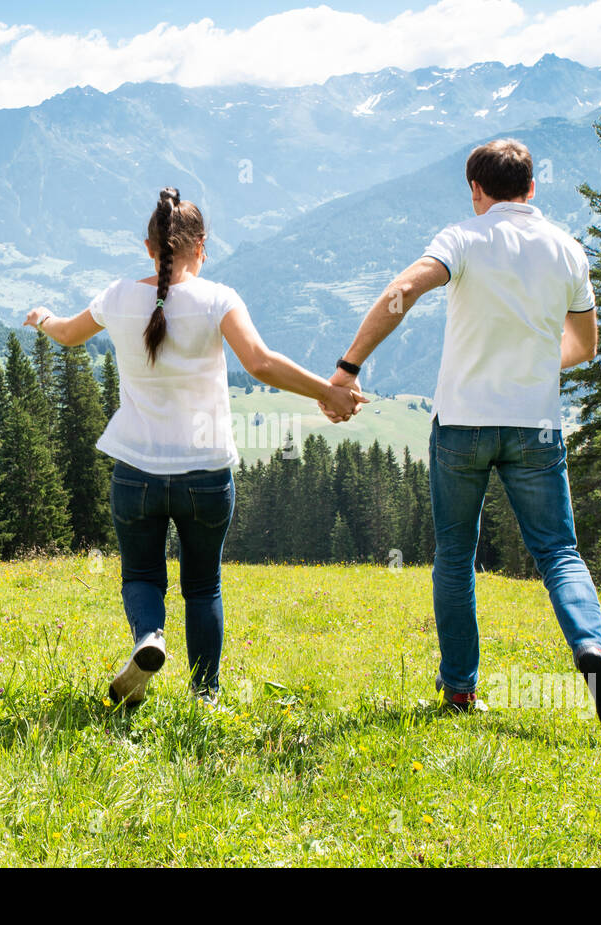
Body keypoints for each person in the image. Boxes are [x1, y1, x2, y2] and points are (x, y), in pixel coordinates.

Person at [321, 140, 601, 739]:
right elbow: (587, 347)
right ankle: (592, 648)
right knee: (559, 553)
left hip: (463, 424)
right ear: (532, 188)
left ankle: (460, 690)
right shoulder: (569, 250)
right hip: (536, 426)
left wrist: (349, 366)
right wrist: (537, 365)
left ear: (476, 190)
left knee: (455, 556)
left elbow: (403, 290)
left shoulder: (462, 238)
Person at [26, 187, 367, 706]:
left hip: (135, 472)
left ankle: (149, 639)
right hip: (205, 475)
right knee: (203, 585)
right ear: (201, 246)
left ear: (148, 247)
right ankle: (204, 696)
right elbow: (261, 363)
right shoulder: (217, 299)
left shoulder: (117, 296)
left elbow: (70, 335)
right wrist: (329, 392)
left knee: (141, 574)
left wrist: (42, 318)